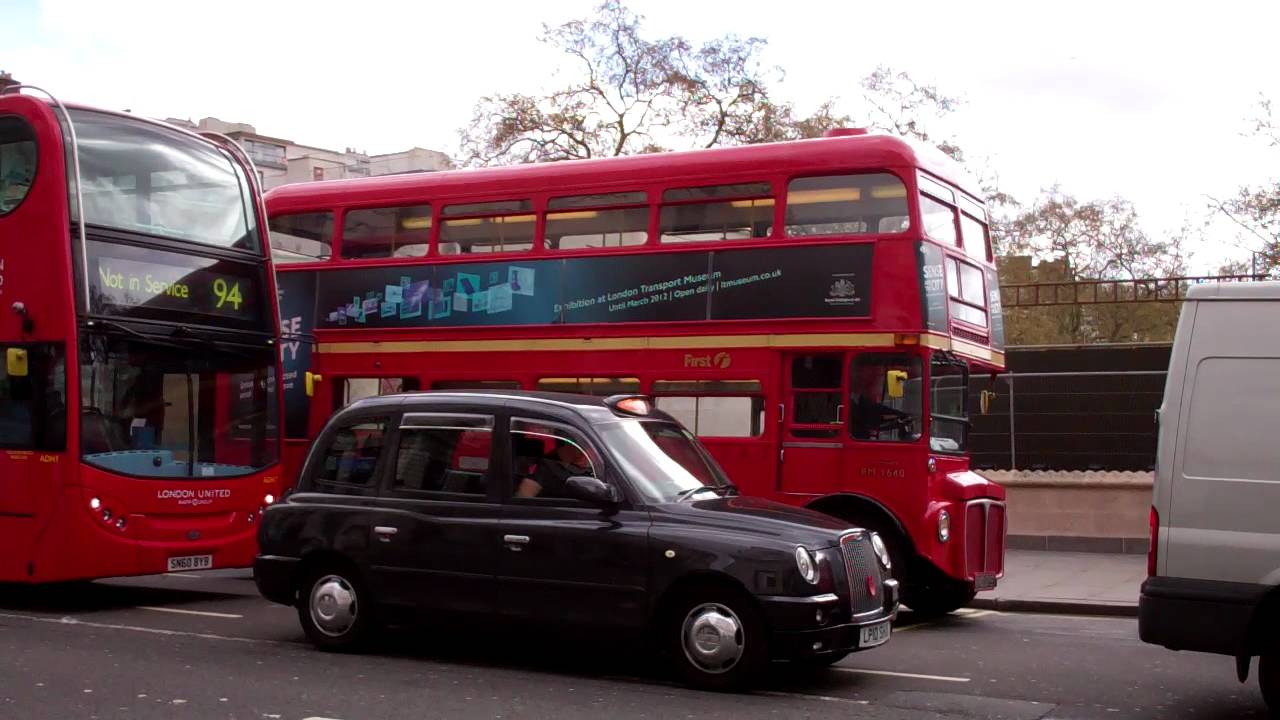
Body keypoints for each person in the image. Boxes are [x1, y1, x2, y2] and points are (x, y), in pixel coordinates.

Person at [514, 436, 593, 499]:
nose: (587, 450)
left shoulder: (589, 468)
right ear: (569, 443)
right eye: (584, 445)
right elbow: (523, 497)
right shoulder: (546, 467)